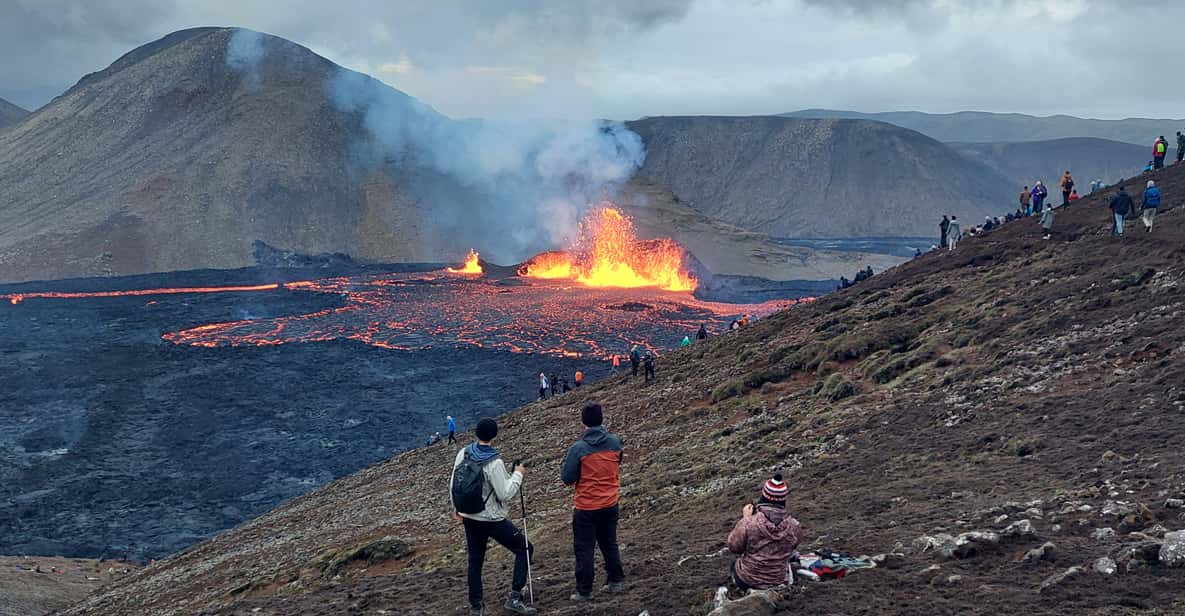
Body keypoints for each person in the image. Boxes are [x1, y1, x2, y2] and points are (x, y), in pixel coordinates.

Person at [451, 418, 536, 616]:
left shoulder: (463, 453)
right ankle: (515, 598)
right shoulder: (494, 462)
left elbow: (454, 483)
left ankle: (476, 607)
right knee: (525, 548)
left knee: (475, 561)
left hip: (469, 516)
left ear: (476, 433)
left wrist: (456, 509)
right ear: (494, 435)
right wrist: (518, 474)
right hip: (491, 519)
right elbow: (504, 494)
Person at [561, 403, 625, 602]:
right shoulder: (615, 442)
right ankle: (616, 580)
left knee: (584, 549)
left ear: (584, 422)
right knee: (609, 543)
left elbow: (567, 478)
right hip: (610, 503)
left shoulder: (578, 448)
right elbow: (618, 461)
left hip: (586, 507)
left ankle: (584, 591)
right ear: (601, 419)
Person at [726, 474, 802, 591]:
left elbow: (734, 547)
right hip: (779, 581)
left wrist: (745, 519)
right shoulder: (794, 526)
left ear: (764, 497)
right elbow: (793, 547)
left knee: (734, 564)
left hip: (748, 580)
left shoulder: (749, 523)